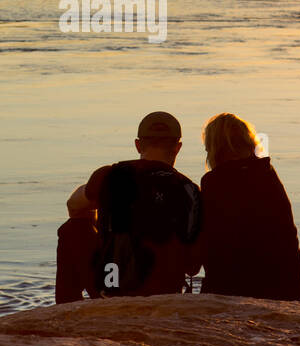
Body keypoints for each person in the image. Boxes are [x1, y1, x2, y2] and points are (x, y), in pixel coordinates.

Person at [55, 111, 202, 302]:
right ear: (177, 147)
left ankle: (67, 309)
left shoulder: (109, 176)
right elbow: (193, 267)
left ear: (138, 145)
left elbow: (73, 206)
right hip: (166, 293)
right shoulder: (189, 189)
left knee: (73, 228)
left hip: (113, 287)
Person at [199, 112, 300, 300]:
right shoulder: (267, 173)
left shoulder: (214, 182)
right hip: (290, 284)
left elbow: (214, 243)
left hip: (240, 288)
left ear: (214, 148)